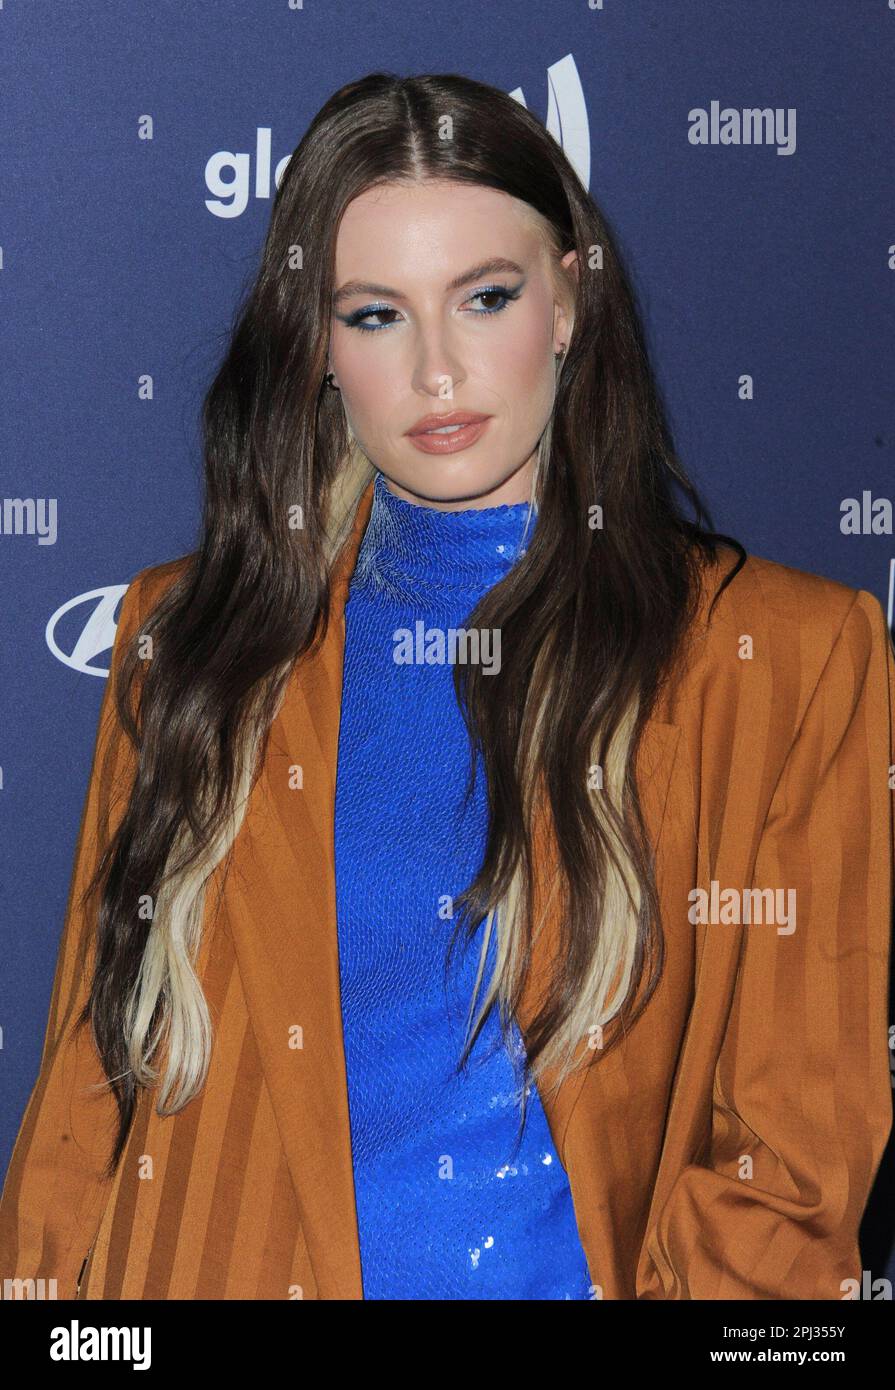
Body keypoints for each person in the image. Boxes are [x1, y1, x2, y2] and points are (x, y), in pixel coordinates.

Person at [1, 71, 893, 1301]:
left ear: (571, 299)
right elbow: (84, 1092)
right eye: (373, 315)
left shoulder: (786, 661)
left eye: (485, 297)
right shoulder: (188, 635)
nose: (436, 369)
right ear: (314, 342)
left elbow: (793, 1170)